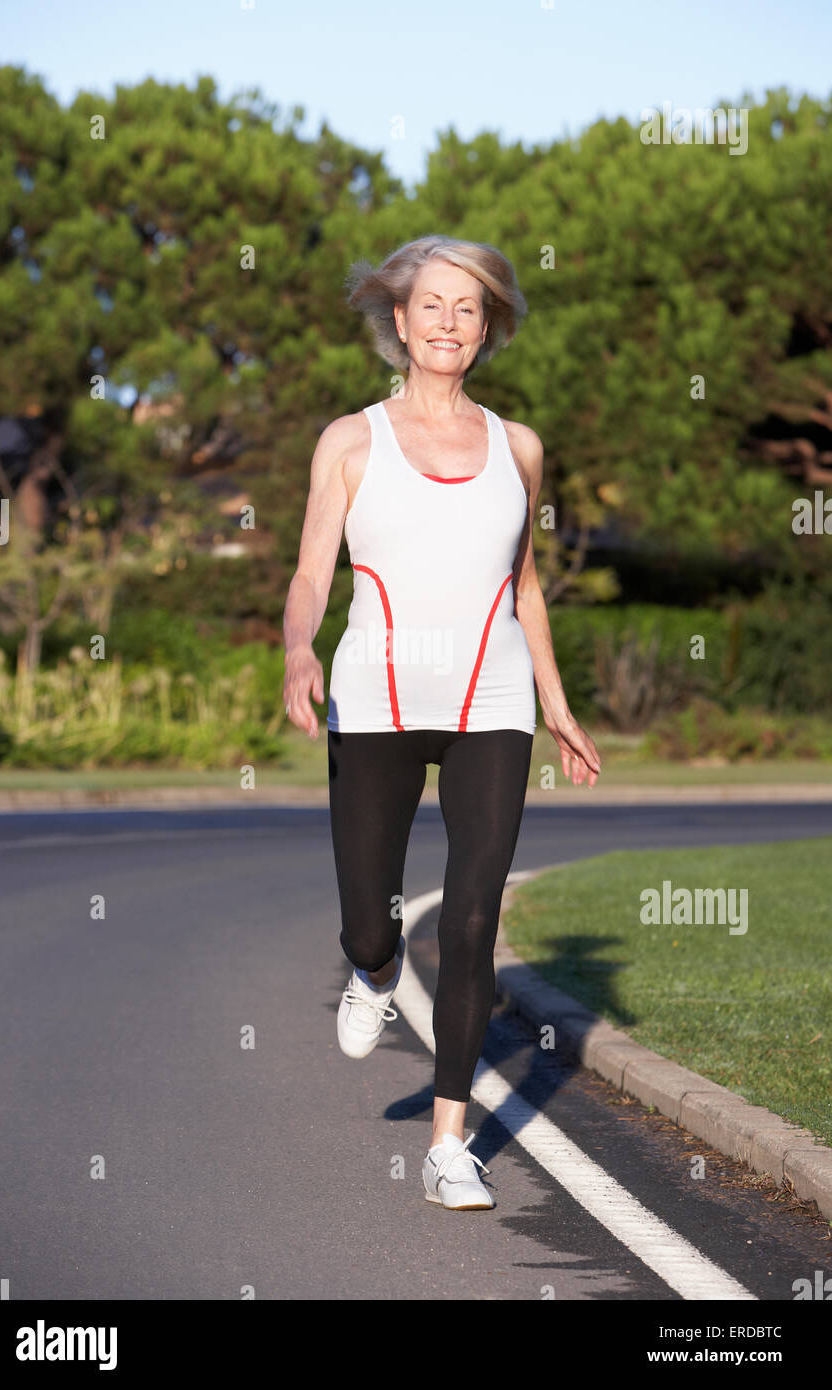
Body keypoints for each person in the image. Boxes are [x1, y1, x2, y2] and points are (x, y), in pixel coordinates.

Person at [283, 235, 600, 1210]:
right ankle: (371, 970)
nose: (448, 322)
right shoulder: (349, 440)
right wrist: (297, 647)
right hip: (375, 700)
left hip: (489, 702)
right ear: (397, 317)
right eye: (431, 305)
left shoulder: (519, 447)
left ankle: (449, 1142)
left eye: (468, 307)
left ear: (489, 322)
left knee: (469, 922)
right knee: (365, 914)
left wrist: (553, 700)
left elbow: (525, 586)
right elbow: (308, 574)